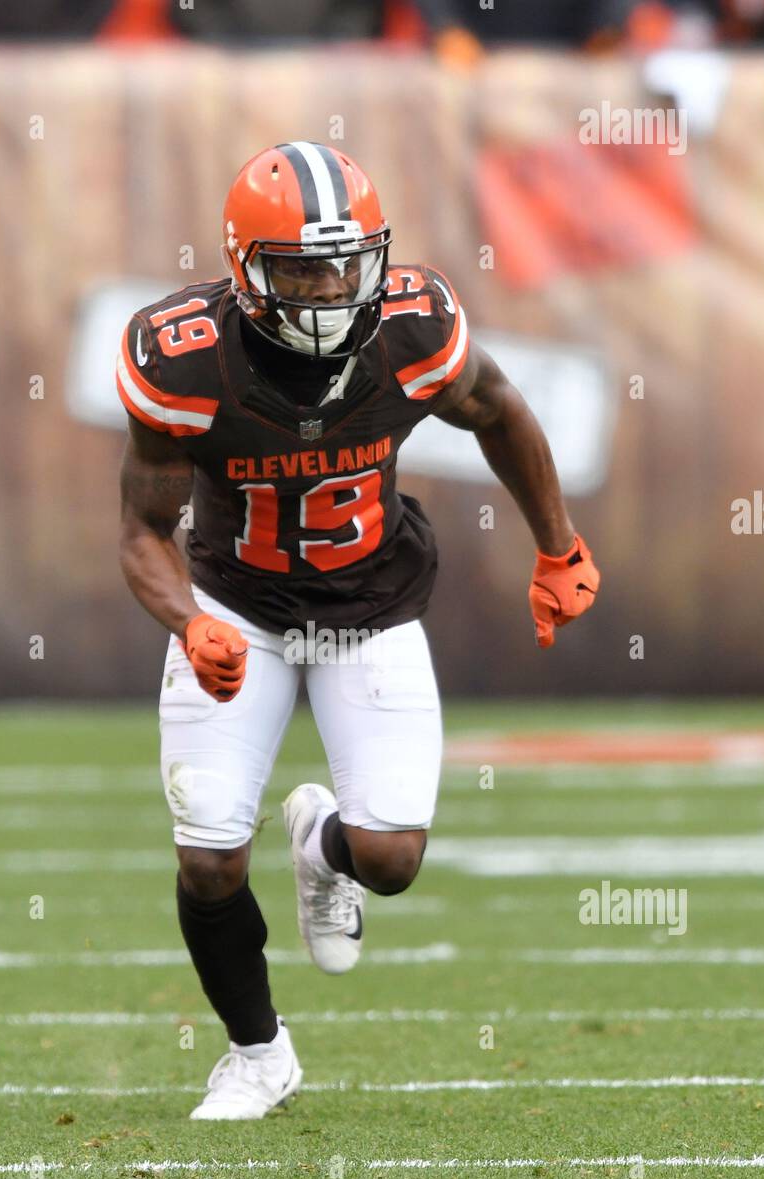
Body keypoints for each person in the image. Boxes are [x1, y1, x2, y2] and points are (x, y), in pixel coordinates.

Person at [117, 141, 600, 1119]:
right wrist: (186, 622)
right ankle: (258, 1055)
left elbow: (498, 410)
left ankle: (322, 845)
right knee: (208, 853)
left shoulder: (415, 329)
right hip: (236, 604)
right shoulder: (188, 359)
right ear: (245, 268)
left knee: (390, 858)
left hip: (369, 603)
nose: (333, 287)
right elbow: (140, 531)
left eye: (348, 261)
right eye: (302, 268)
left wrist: (557, 544)